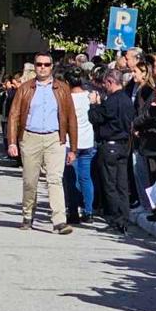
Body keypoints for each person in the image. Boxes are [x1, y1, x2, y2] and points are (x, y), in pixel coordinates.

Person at [6, 52, 77, 235]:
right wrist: (12, 142)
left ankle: (59, 221)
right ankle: (27, 215)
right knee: (30, 181)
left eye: (46, 64)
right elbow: (13, 116)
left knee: (55, 180)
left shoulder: (62, 89)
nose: (43, 68)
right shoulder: (25, 89)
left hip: (55, 139)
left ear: (52, 67)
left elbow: (71, 118)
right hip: (30, 138)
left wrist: (73, 148)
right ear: (35, 67)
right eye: (39, 64)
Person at [88, 69, 134, 234]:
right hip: (123, 145)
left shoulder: (111, 101)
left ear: (110, 82)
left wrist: (94, 104)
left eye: (105, 83)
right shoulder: (127, 99)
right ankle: (124, 218)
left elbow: (95, 118)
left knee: (110, 184)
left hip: (110, 145)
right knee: (122, 184)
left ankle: (116, 219)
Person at [63, 74, 96, 224]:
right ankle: (88, 211)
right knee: (86, 177)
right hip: (88, 141)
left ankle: (73, 211)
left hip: (72, 143)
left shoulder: (67, 99)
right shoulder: (90, 96)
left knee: (71, 178)